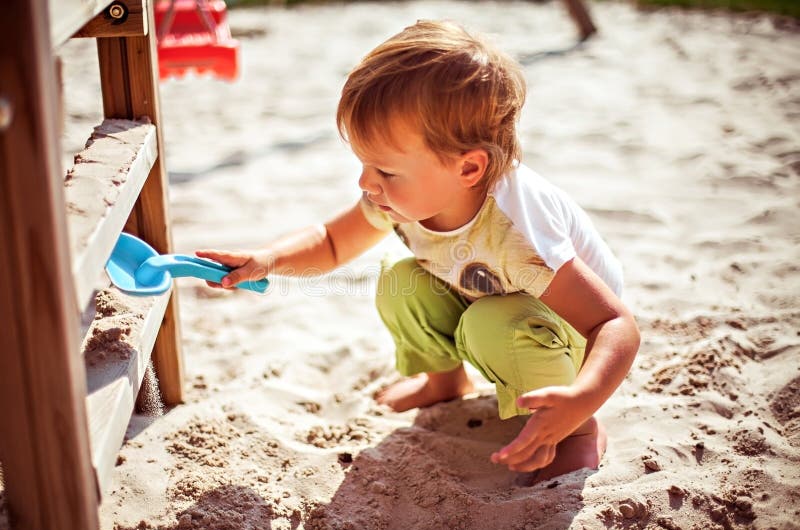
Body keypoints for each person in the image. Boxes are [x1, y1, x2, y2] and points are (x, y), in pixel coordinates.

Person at [197, 20, 640, 481]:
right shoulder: (406, 199)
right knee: (399, 279)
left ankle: (579, 434)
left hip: (567, 326)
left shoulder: (519, 231)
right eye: (364, 164)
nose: (366, 183)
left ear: (468, 168)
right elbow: (332, 244)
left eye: (385, 170)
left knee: (494, 324)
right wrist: (268, 259)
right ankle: (445, 381)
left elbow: (613, 322)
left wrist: (583, 397)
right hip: (488, 290)